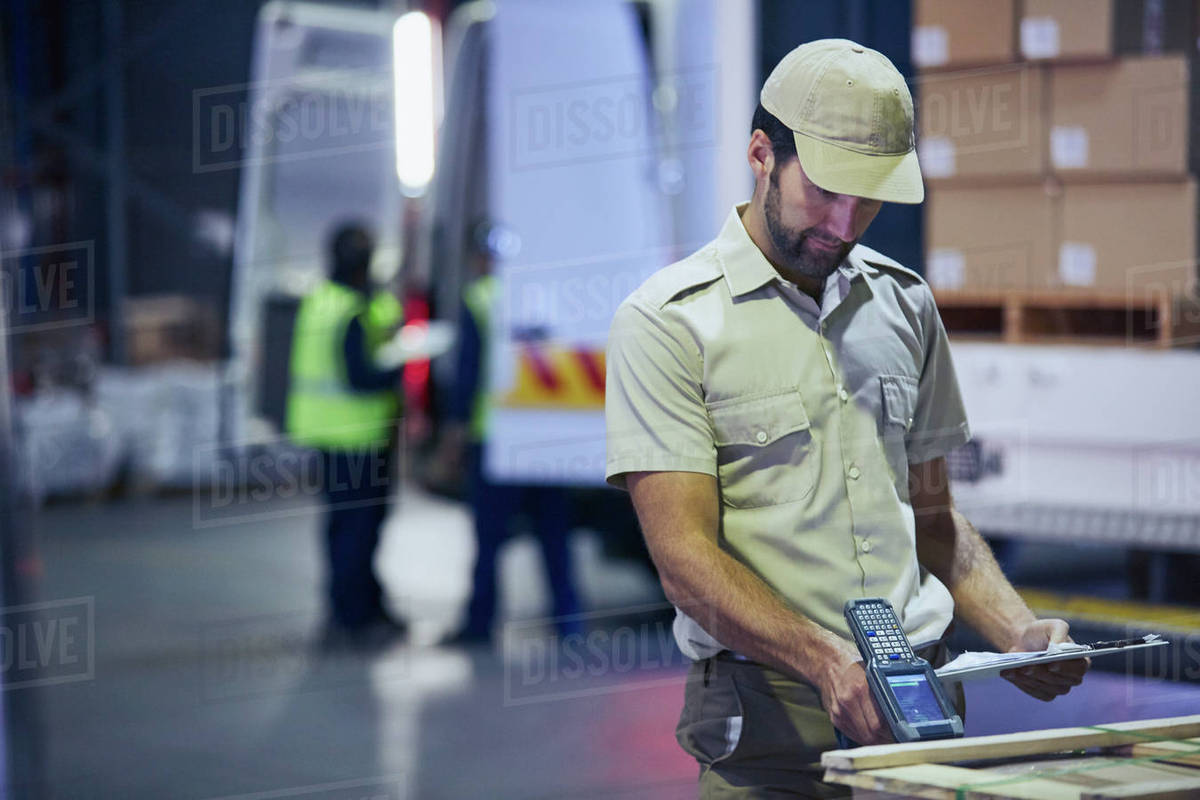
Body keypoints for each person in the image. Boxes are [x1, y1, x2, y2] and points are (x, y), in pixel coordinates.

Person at [604, 39, 1089, 797]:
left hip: (921, 711)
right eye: (826, 192)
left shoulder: (904, 305)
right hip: (767, 725)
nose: (844, 222)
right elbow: (683, 557)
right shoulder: (669, 324)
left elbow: (932, 519)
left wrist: (1016, 632)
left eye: (868, 199)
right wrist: (825, 658)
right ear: (762, 154)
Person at [438, 222, 582, 645]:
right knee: (554, 533)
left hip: (497, 439)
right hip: (547, 438)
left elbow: (467, 376)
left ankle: (480, 625)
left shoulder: (480, 299)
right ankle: (568, 623)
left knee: (489, 537)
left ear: (482, 257)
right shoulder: (549, 295)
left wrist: (454, 434)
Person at [287, 222, 407, 649]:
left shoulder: (323, 300)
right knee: (359, 531)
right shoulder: (354, 310)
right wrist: (401, 365)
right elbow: (361, 378)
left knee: (346, 529)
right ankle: (352, 618)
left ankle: (356, 610)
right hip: (358, 438)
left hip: (330, 436)